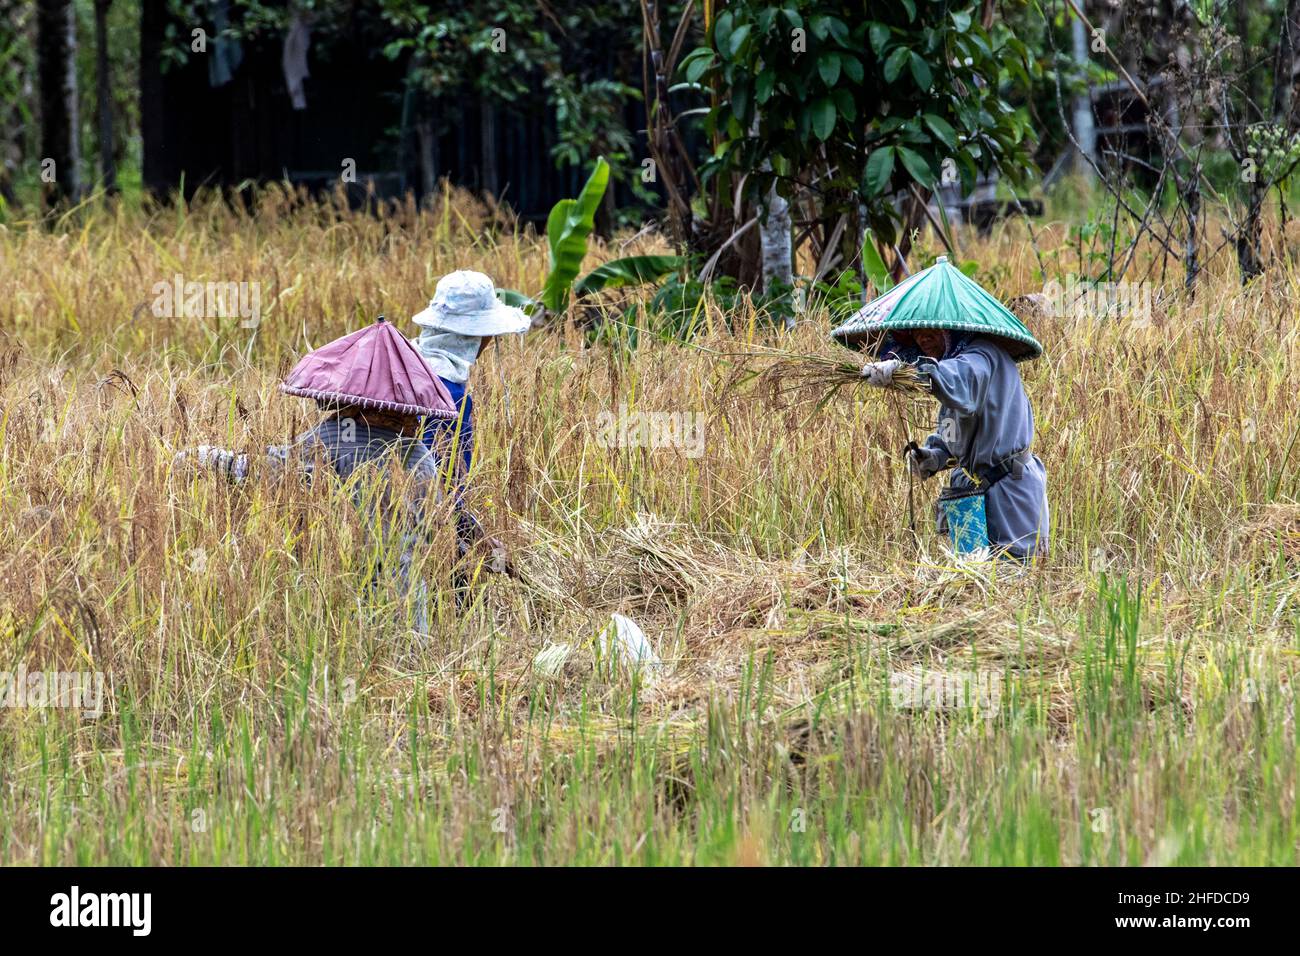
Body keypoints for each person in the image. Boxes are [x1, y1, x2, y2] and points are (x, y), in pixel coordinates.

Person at [175, 317, 459, 633]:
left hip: (345, 616)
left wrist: (203, 458)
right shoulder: (419, 456)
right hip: (407, 616)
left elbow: (264, 472)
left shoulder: (331, 438)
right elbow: (433, 533)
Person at [862, 326, 1049, 559]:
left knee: (1011, 575)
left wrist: (907, 370)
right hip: (972, 492)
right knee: (971, 577)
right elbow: (955, 435)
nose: (923, 337)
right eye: (916, 332)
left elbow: (955, 376)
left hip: (1009, 490)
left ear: (952, 329)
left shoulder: (981, 356)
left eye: (932, 328)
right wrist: (933, 457)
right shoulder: (956, 367)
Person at [410, 270, 530, 569]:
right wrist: (479, 543)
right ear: (480, 338)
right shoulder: (449, 397)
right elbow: (441, 492)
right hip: (417, 538)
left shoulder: (405, 369)